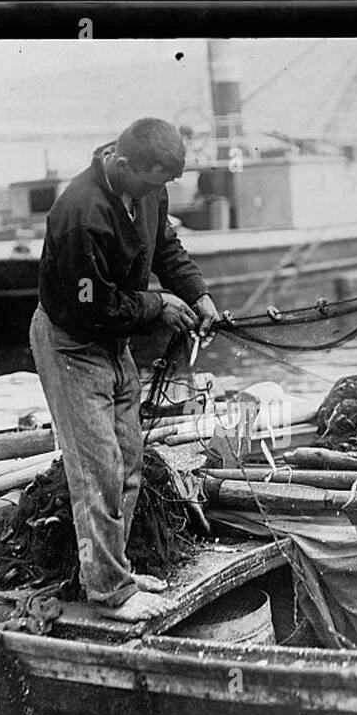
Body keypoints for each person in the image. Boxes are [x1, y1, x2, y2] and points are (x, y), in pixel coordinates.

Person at [31, 117, 220, 622]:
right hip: (73, 342)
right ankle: (109, 594)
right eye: (152, 182)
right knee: (97, 470)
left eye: (164, 186)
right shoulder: (80, 211)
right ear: (120, 164)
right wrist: (156, 307)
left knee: (129, 462)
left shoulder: (149, 190)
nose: (158, 192)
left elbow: (165, 247)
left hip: (113, 342)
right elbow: (85, 305)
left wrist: (196, 293)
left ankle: (116, 571)